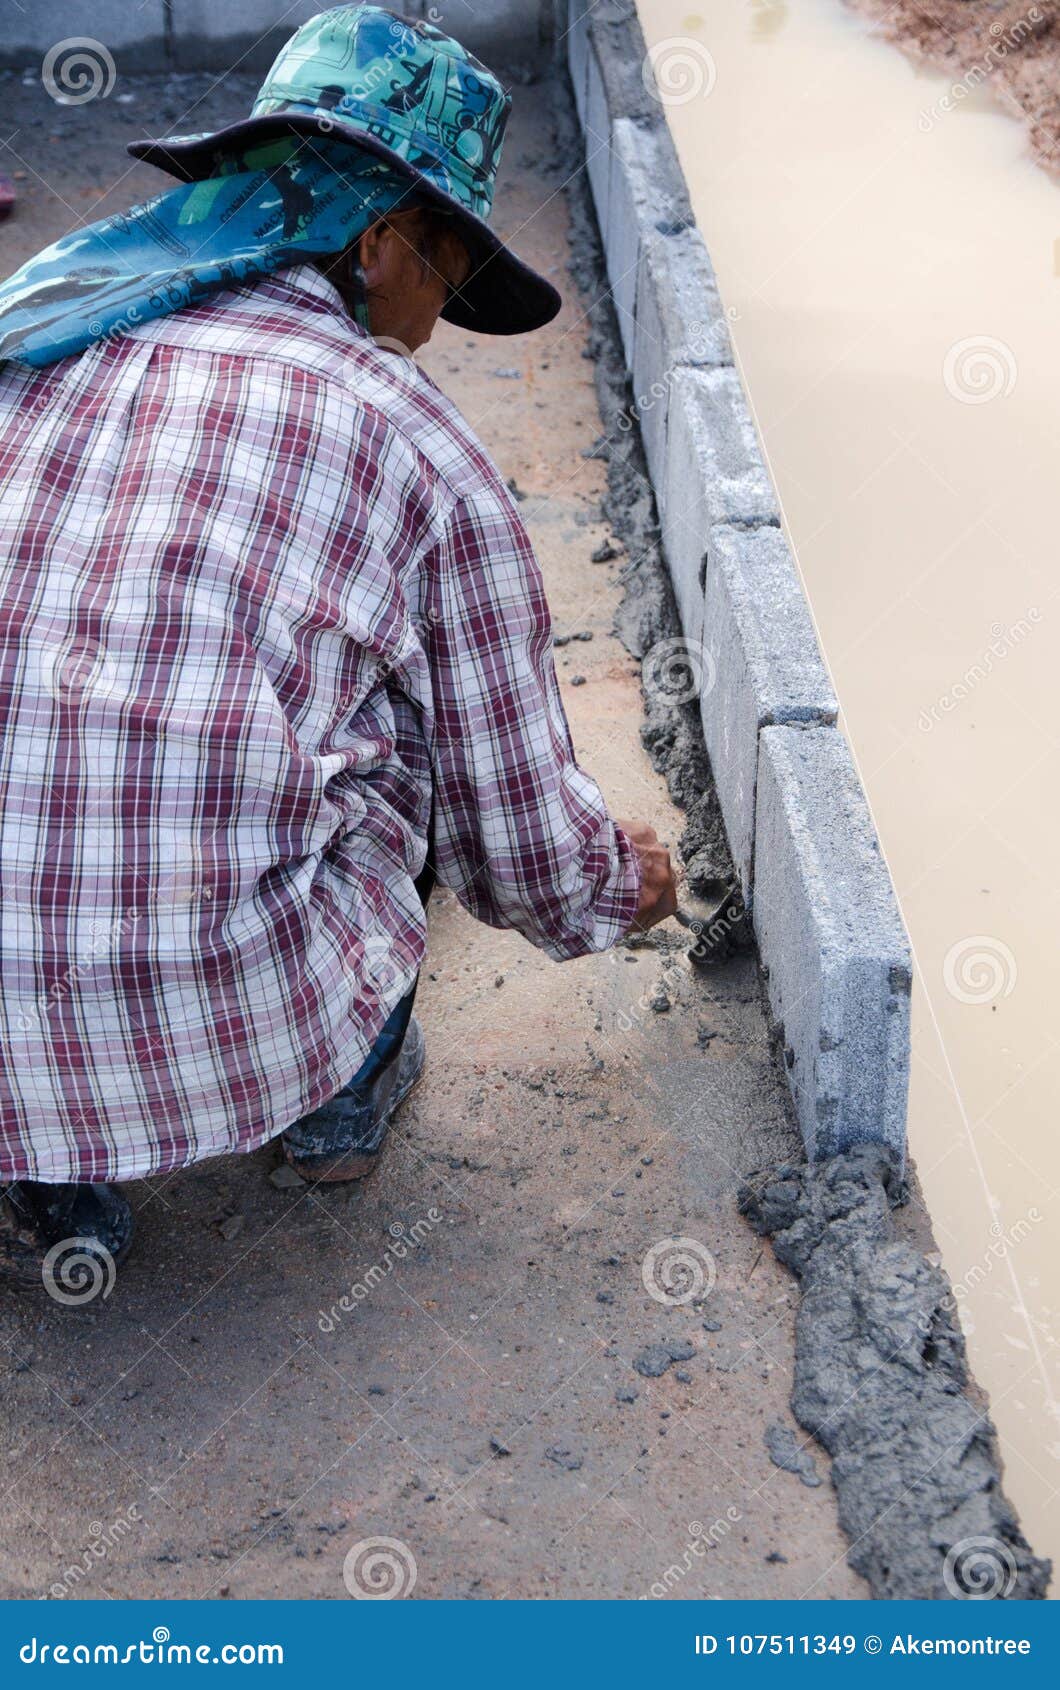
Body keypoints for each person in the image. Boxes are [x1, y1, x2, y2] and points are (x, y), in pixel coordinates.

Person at [0, 5, 676, 1291]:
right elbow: (516, 838)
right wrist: (619, 886)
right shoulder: (405, 435)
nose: (440, 309)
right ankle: (332, 1103)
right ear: (376, 246)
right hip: (204, 1010)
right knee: (407, 736)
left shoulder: (36, 326)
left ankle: (49, 1173)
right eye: (445, 263)